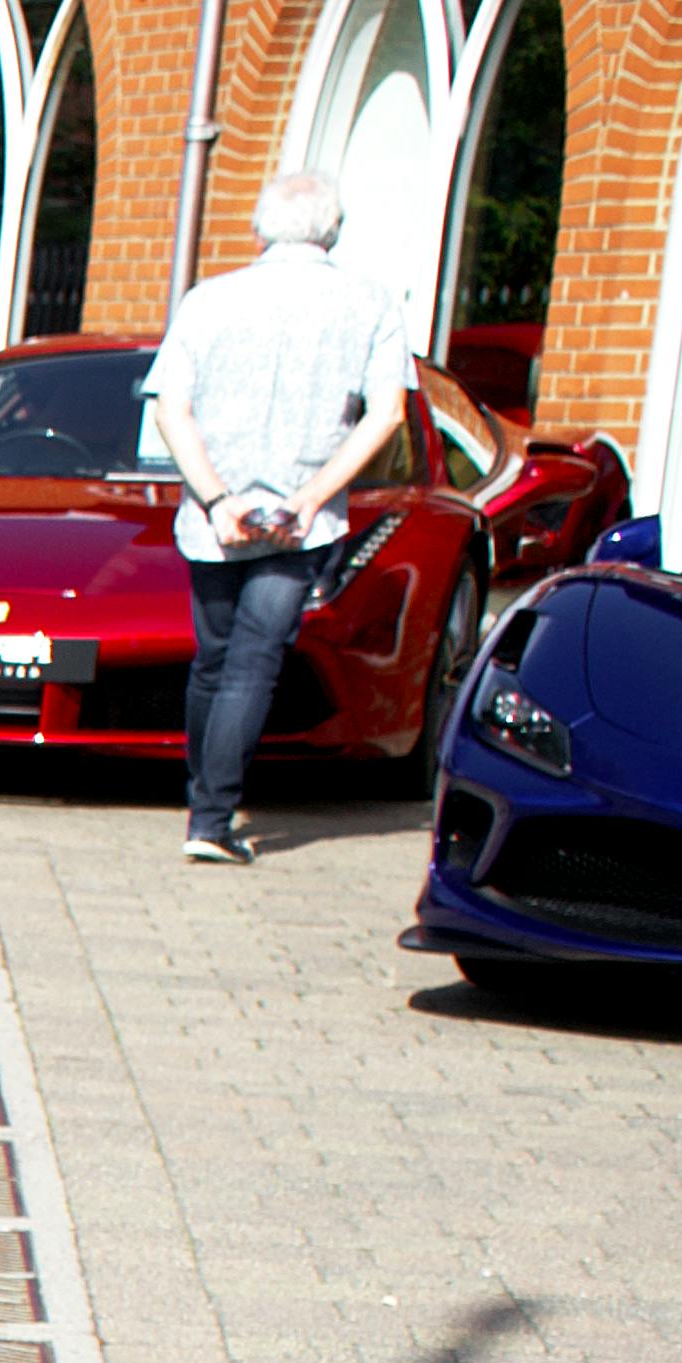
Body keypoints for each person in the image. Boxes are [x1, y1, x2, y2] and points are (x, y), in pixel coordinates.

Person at [136, 168, 419, 867]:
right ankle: (212, 817)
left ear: (260, 228)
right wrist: (314, 496)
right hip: (301, 514)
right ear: (334, 230)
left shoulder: (209, 300)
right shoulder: (372, 304)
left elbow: (170, 407)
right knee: (253, 665)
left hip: (216, 514)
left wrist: (216, 499)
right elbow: (387, 414)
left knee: (214, 660)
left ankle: (204, 803)